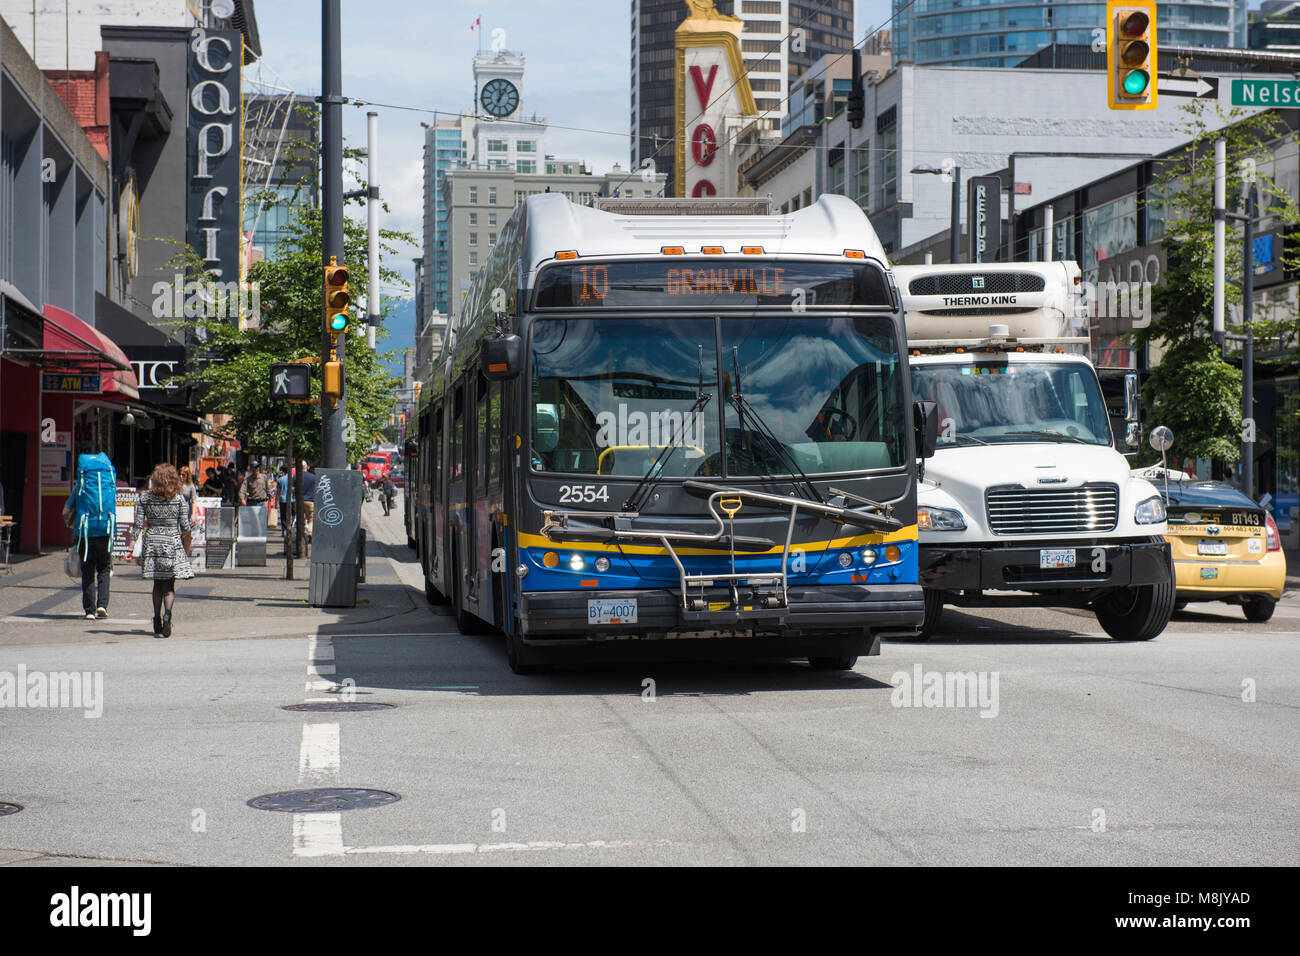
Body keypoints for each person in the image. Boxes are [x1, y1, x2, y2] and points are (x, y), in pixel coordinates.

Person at [134, 463, 194, 638]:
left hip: (152, 542)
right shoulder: (178, 500)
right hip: (171, 543)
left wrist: (132, 545)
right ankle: (168, 615)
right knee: (169, 584)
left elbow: (138, 525)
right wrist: (186, 549)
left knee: (157, 583)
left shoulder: (145, 499)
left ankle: (156, 619)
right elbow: (185, 528)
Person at [62, 452, 118, 620]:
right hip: (105, 530)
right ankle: (102, 605)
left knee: (87, 570)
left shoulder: (80, 488)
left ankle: (89, 610)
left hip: (85, 532)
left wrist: (71, 524)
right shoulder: (109, 485)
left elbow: (65, 512)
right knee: (104, 569)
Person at [299, 461, 317, 541]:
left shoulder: (296, 477)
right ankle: (310, 533)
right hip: (310, 501)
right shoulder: (313, 477)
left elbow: (292, 489)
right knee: (311, 519)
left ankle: (302, 535)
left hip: (299, 501)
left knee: (301, 519)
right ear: (307, 467)